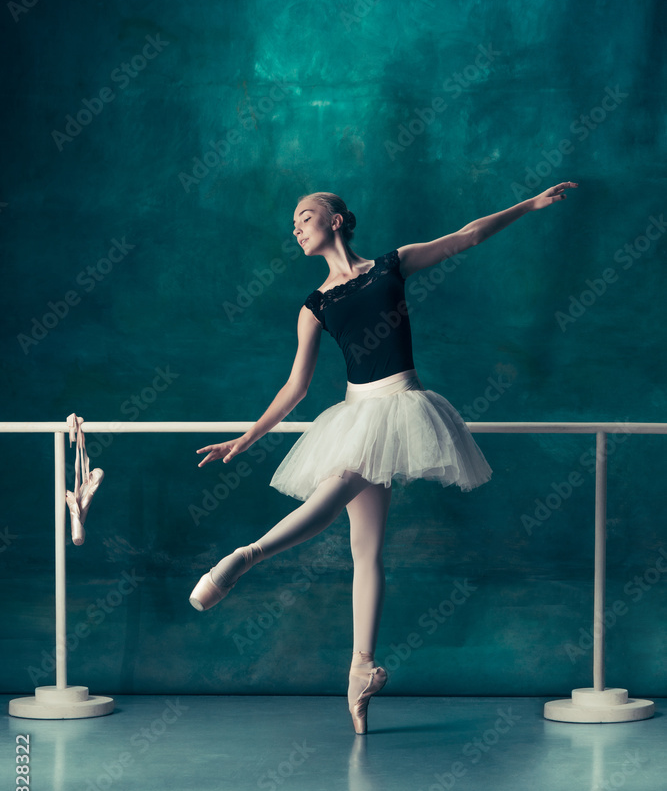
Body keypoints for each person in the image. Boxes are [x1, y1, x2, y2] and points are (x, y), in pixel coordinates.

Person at [190, 182, 578, 733]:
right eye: (293, 223)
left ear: (338, 220)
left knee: (366, 551)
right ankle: (291, 598)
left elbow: (466, 237)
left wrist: (529, 205)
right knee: (349, 524)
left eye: (305, 216)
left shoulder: (390, 267)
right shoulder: (315, 305)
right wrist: (245, 438)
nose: (296, 228)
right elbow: (296, 387)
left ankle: (332, 638)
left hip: (402, 406)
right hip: (356, 414)